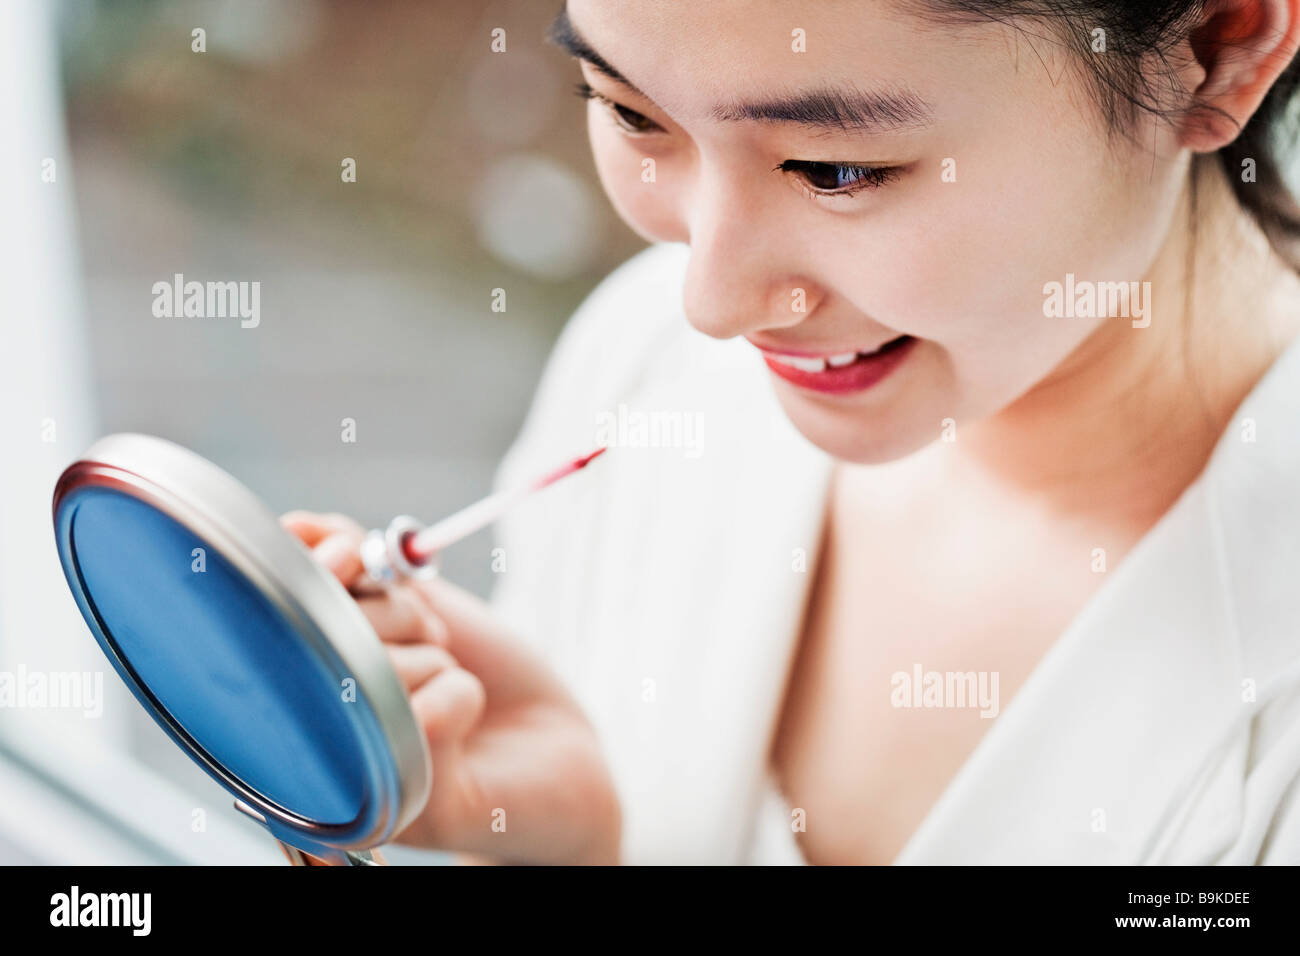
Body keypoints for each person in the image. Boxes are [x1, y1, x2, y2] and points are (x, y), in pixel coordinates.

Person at [282, 0, 1300, 864]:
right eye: (633, 114)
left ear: (1216, 47)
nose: (710, 302)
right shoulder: (643, 366)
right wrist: (577, 840)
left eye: (833, 169)